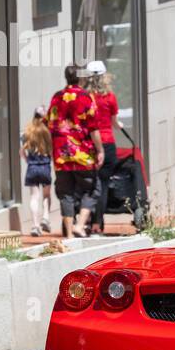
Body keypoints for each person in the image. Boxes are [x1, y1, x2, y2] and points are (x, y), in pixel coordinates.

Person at [46, 64, 102, 238]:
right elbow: (93, 128)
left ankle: (69, 234)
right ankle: (80, 225)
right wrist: (100, 150)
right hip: (82, 155)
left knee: (66, 193)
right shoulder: (86, 97)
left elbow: (49, 124)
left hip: (61, 155)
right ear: (80, 78)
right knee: (93, 189)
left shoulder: (57, 97)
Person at [83, 61, 119, 234]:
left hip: (89, 144)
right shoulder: (109, 97)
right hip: (108, 142)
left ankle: (86, 220)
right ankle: (98, 223)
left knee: (88, 185)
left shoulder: (84, 97)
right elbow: (114, 122)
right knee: (103, 185)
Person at [21, 108, 53, 236]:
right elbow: (51, 150)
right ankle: (45, 217)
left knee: (34, 197)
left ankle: (35, 225)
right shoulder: (47, 132)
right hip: (45, 166)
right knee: (46, 195)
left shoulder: (27, 132)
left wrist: (28, 160)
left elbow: (21, 152)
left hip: (32, 167)